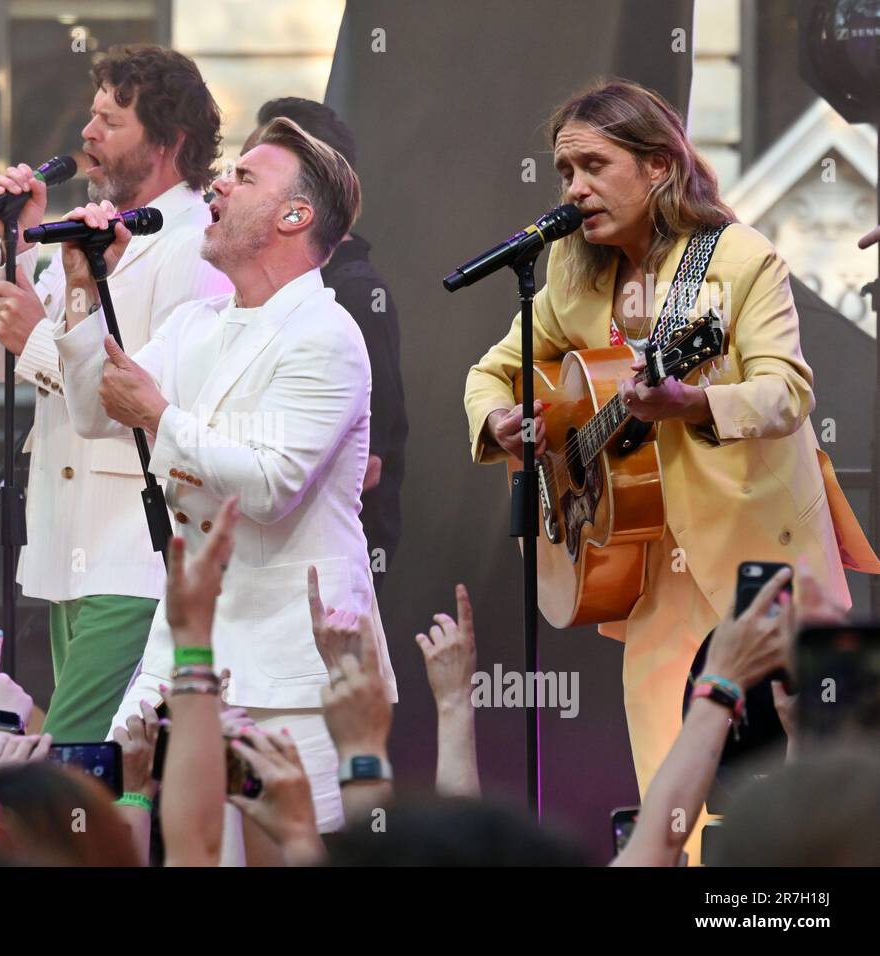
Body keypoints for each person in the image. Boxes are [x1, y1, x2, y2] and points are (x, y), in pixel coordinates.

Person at [462, 78, 880, 855]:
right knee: (671, 802)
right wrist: (499, 420)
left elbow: (786, 392)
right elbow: (493, 370)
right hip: (650, 575)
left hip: (762, 565)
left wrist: (690, 403)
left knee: (805, 803)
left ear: (658, 167)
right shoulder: (570, 273)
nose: (575, 189)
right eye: (563, 173)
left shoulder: (740, 260)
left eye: (592, 165)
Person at [52, 116, 398, 834]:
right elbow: (94, 411)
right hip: (184, 647)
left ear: (294, 215)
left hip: (293, 668)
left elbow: (269, 490)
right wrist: (86, 289)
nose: (219, 181)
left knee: (285, 852)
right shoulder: (198, 322)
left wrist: (160, 417)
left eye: (245, 177)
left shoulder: (328, 335)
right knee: (122, 827)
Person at [0, 44, 231, 742]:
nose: (86, 134)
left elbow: (147, 398)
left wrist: (35, 340)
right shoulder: (86, 229)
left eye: (109, 121)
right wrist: (16, 246)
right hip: (66, 544)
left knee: (71, 751)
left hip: (137, 549)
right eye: (91, 116)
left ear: (168, 143)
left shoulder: (196, 245)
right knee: (102, 770)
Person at [244, 98, 408, 593]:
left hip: (319, 574)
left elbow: (370, 465)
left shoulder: (354, 295)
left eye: (255, 173)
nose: (228, 185)